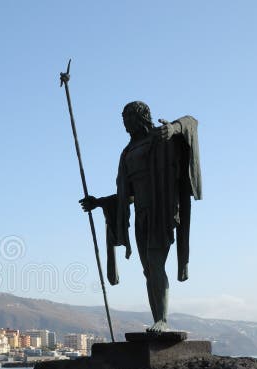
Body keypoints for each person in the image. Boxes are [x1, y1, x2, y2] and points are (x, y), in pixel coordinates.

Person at [81, 101, 201, 332]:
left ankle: (162, 320)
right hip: (141, 215)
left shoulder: (160, 139)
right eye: (123, 119)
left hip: (161, 212)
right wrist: (99, 203)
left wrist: (174, 128)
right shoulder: (127, 152)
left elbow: (192, 123)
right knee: (148, 270)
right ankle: (158, 317)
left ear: (141, 117)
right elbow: (128, 194)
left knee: (156, 264)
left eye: (128, 118)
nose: (125, 123)